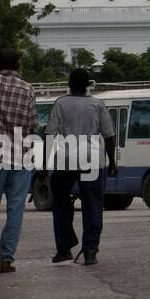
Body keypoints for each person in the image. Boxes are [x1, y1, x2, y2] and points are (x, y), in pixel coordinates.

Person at [46, 68, 116, 266]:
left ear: (69, 84)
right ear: (87, 86)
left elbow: (50, 133)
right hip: (92, 160)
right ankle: (90, 250)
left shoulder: (60, 103)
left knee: (60, 202)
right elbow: (109, 135)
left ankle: (65, 247)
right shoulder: (97, 104)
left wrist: (43, 163)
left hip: (66, 160)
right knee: (92, 204)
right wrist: (112, 162)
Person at [0, 47, 39, 274]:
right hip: (20, 157)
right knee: (15, 210)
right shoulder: (28, 89)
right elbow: (32, 124)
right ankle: (6, 259)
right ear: (17, 65)